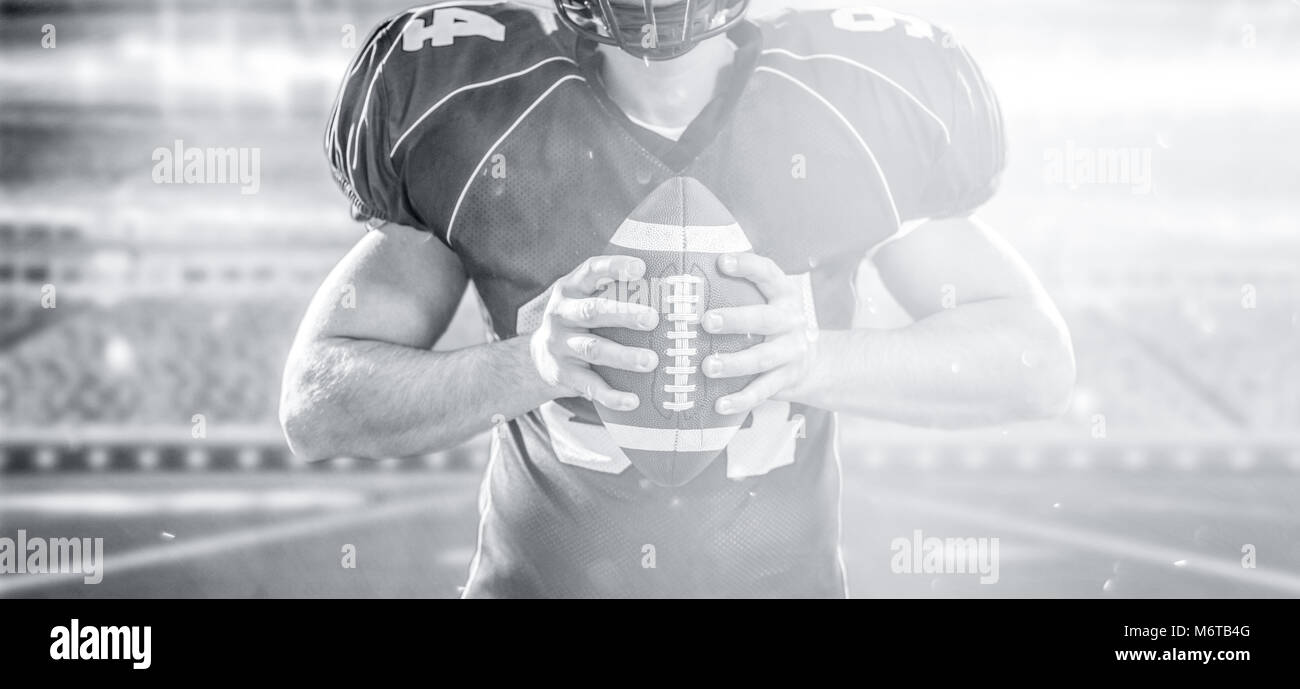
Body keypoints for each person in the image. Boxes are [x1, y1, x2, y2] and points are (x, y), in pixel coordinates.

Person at [281, 0, 1075, 597]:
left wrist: (813, 360)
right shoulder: (482, 111)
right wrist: (529, 365)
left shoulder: (847, 108)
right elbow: (316, 404)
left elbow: (1036, 362)